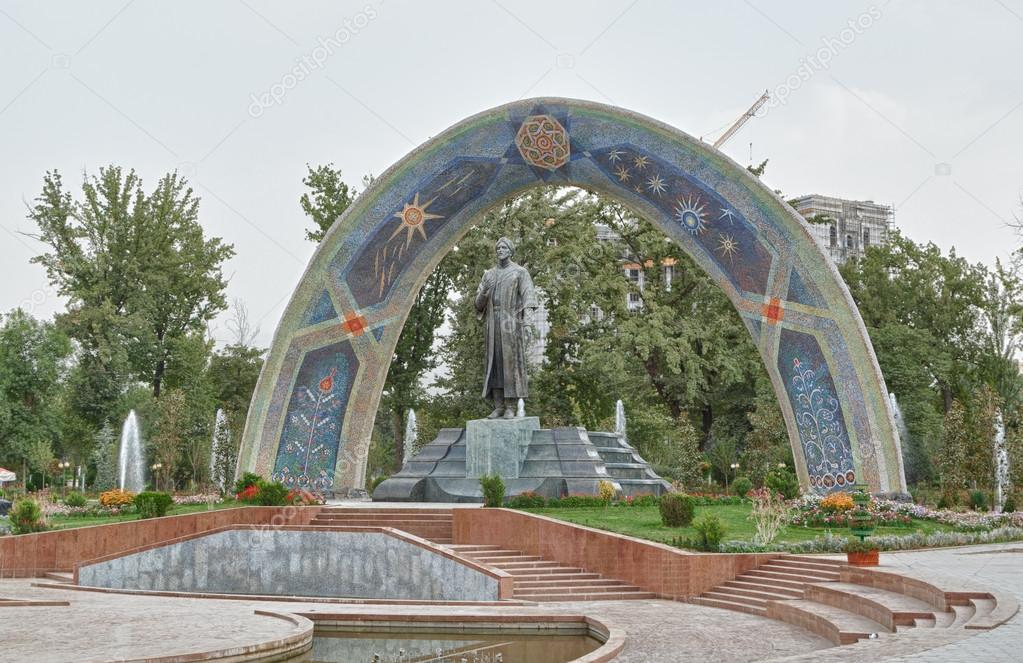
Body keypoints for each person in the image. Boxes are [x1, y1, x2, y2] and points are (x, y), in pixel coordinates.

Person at [475, 237, 538, 419]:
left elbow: (529, 297)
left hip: (511, 323)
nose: (500, 250)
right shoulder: (489, 275)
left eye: (504, 247)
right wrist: (483, 292)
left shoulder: (519, 272)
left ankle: (510, 405)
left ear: (510, 251)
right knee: (494, 363)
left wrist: (527, 322)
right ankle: (498, 405)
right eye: (498, 247)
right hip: (492, 324)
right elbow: (478, 305)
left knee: (509, 363)